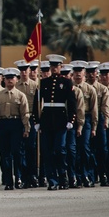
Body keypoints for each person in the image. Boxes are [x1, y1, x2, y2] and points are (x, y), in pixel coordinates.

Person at [34, 54, 76, 191]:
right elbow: (36, 103)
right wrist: (37, 120)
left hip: (61, 120)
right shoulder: (43, 83)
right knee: (47, 151)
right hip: (46, 120)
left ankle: (63, 177)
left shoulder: (67, 82)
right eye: (52, 66)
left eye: (56, 66)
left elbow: (71, 103)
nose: (54, 69)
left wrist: (71, 120)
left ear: (61, 67)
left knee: (60, 149)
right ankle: (52, 180)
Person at [0, 68, 31, 190]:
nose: (9, 81)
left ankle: (18, 178)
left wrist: (27, 128)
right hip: (3, 124)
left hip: (16, 124)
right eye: (7, 79)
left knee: (17, 153)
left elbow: (25, 113)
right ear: (4, 80)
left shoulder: (20, 95)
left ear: (16, 79)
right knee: (4, 154)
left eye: (12, 78)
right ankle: (8, 180)